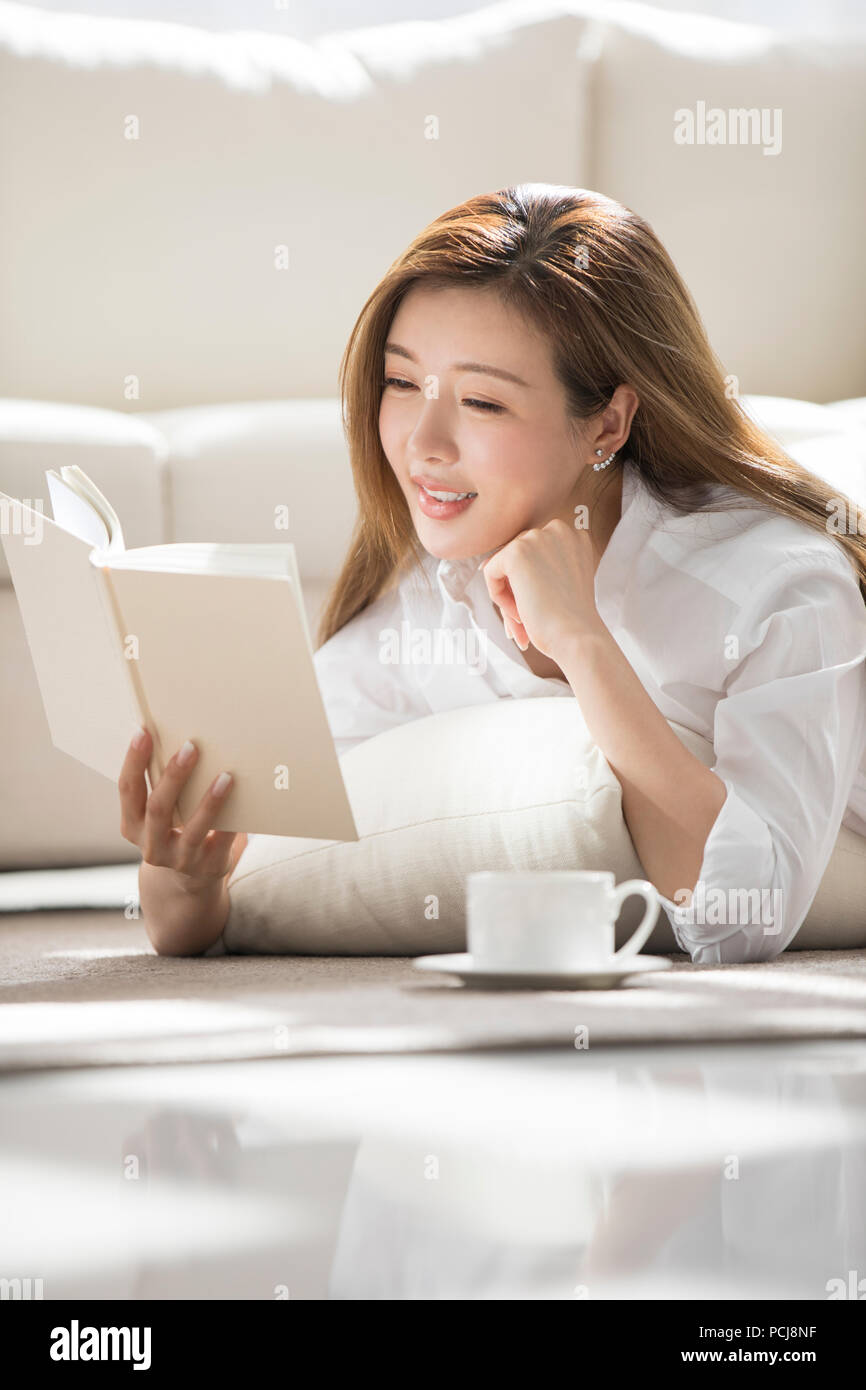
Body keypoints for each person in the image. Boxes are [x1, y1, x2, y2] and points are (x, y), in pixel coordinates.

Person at [123, 184, 866, 963]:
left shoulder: (778, 587)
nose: (422, 445)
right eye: (403, 383)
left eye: (481, 401)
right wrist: (180, 872)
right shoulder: (438, 589)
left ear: (608, 423)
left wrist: (583, 644)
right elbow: (194, 915)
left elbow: (739, 919)